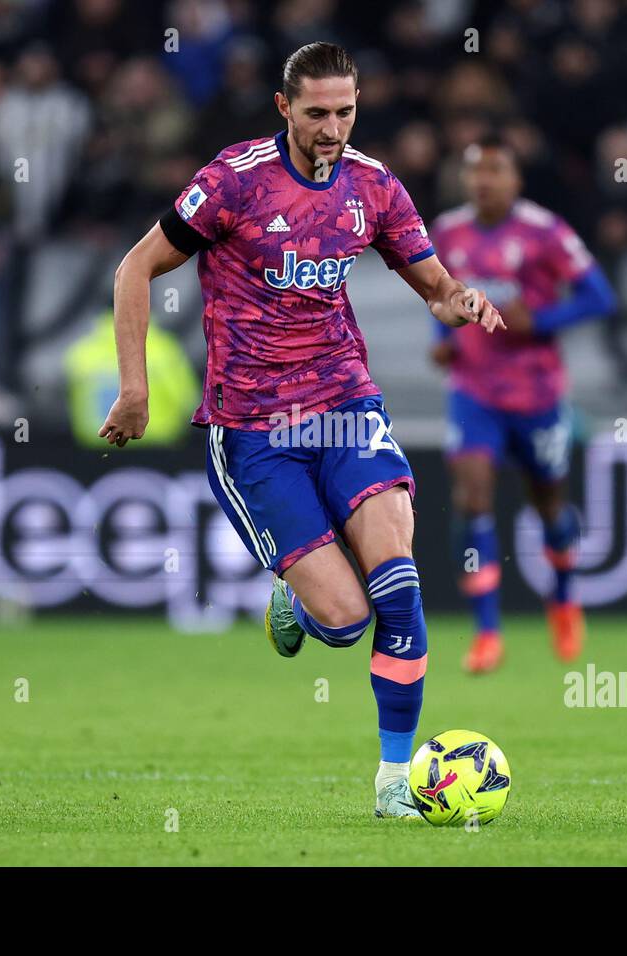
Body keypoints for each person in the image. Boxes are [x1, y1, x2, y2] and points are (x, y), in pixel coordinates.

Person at [99, 42, 503, 818]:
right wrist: (135, 387)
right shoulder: (233, 183)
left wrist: (464, 302)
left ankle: (393, 786)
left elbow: (436, 287)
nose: (332, 127)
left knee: (399, 586)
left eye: (345, 111)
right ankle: (295, 592)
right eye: (316, 112)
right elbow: (134, 268)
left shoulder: (373, 186)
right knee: (347, 623)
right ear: (284, 108)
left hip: (345, 404)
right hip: (253, 427)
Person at [430, 134, 617, 673]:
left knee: (548, 505)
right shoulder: (447, 232)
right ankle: (488, 632)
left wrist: (544, 321)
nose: (484, 180)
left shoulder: (545, 231)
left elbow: (599, 296)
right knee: (471, 498)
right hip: (473, 389)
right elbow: (436, 292)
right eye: (475, 171)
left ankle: (562, 596)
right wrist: (442, 336)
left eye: (496, 170)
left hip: (537, 392)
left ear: (516, 179)